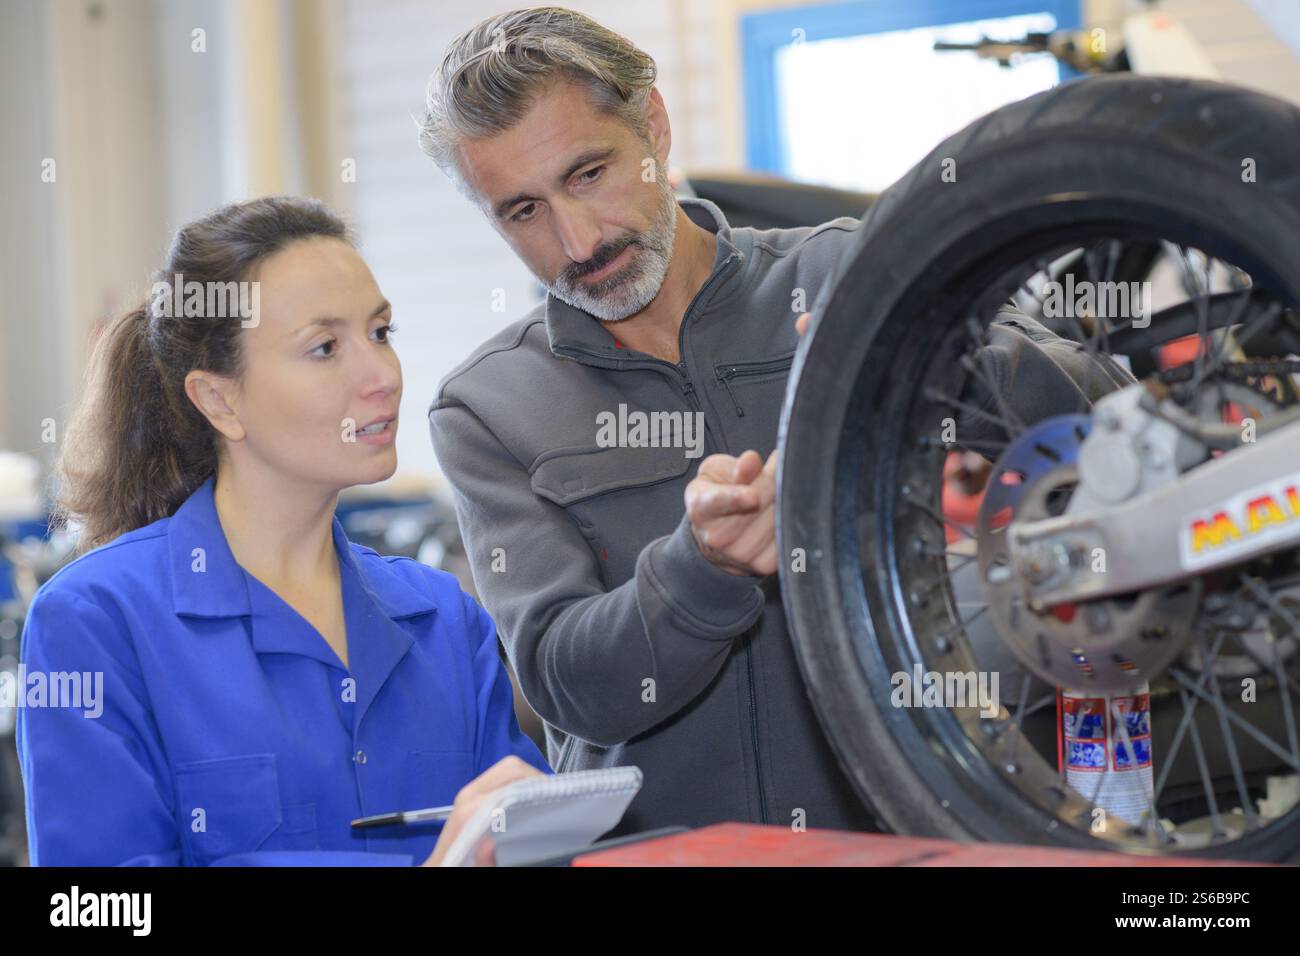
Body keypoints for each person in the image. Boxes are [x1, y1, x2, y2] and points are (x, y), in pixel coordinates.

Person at [419, 8, 1130, 835]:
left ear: (653, 126)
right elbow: (570, 685)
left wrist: (950, 362)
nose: (576, 241)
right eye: (522, 212)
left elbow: (1113, 419)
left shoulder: (844, 272)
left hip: (911, 839)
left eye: (587, 174)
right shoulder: (488, 407)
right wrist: (700, 569)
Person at [17, 195, 548, 866]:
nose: (381, 376)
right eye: (325, 348)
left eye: (381, 333)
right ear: (219, 400)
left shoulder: (444, 619)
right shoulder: (97, 620)